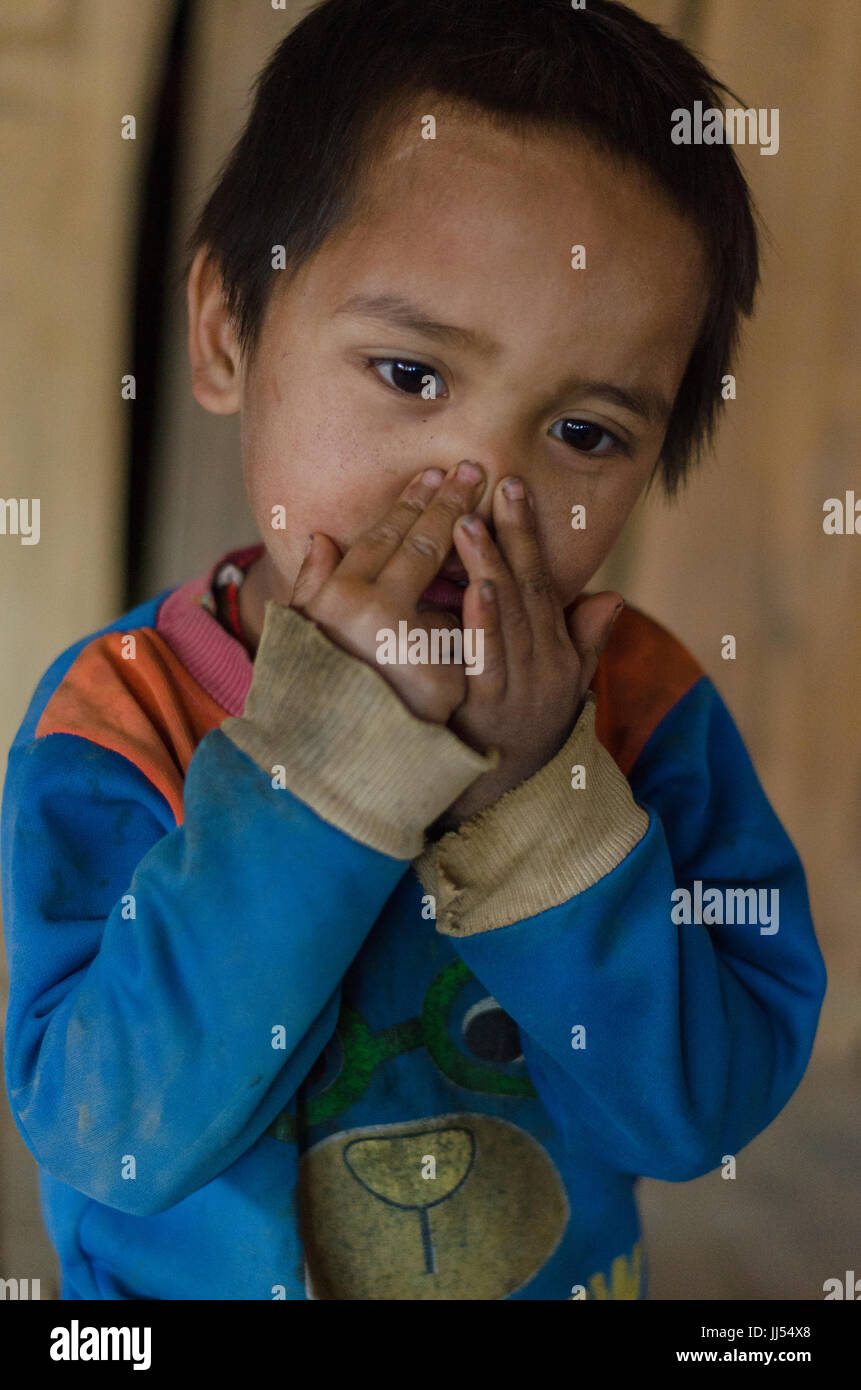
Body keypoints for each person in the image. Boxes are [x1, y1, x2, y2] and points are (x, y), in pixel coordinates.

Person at [2, 0, 826, 1300]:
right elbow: (113, 1135)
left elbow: (694, 1117)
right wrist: (323, 771)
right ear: (228, 333)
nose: (484, 479)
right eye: (409, 373)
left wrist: (541, 799)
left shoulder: (643, 711)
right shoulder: (120, 718)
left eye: (588, 435)